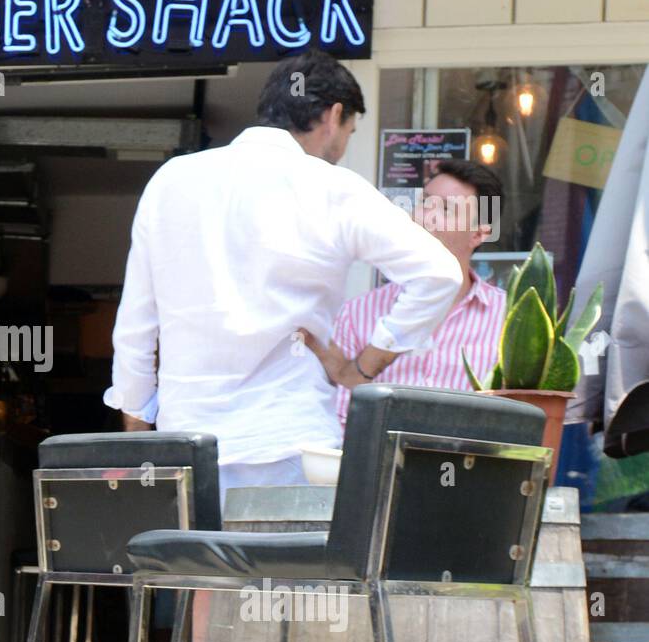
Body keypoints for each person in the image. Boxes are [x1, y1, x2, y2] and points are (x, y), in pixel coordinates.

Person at [105, 49, 464, 491]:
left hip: (188, 449)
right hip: (290, 446)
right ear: (333, 116)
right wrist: (362, 368)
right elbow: (440, 274)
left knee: (192, 564)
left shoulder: (170, 181)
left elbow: (136, 327)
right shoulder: (333, 188)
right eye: (350, 131)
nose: (344, 146)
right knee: (290, 562)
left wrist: (137, 443)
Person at [331, 158, 507, 426]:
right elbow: (340, 417)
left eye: (446, 209)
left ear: (479, 234)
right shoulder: (358, 314)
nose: (425, 218)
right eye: (425, 202)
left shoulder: (505, 319)